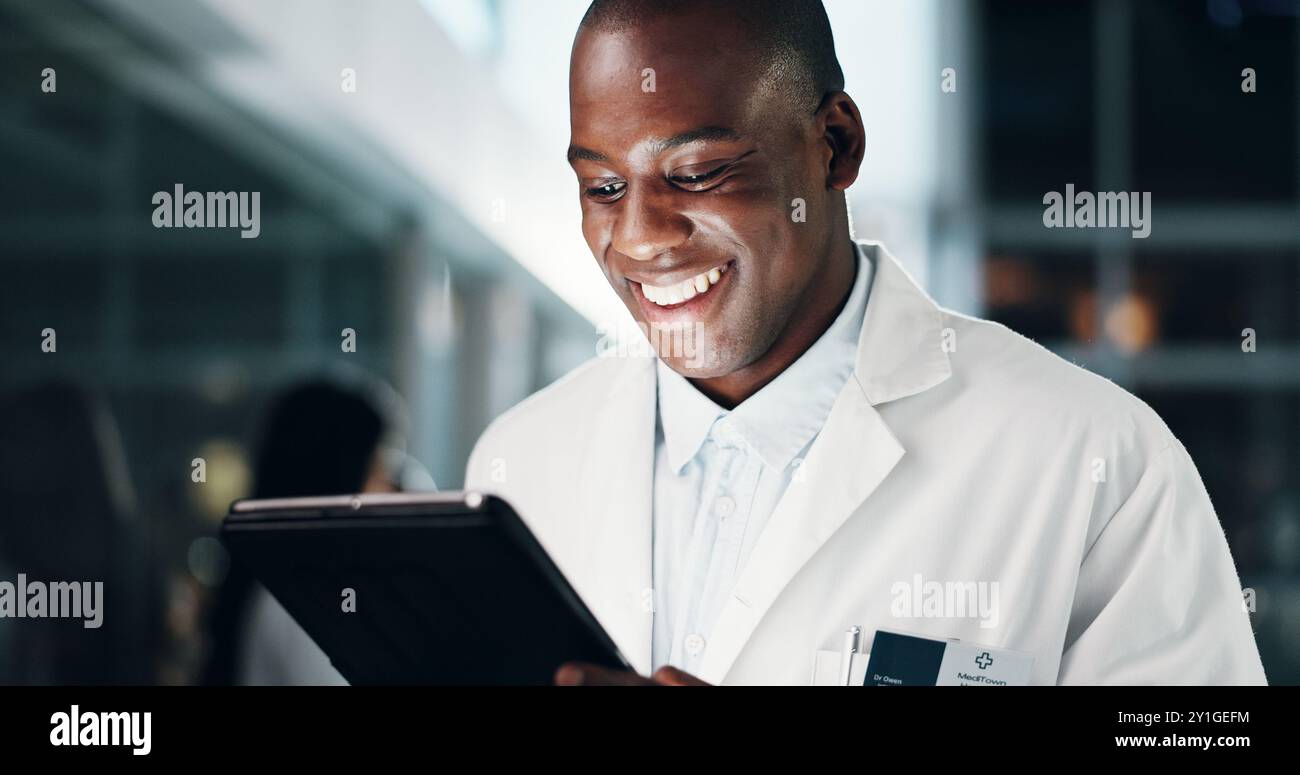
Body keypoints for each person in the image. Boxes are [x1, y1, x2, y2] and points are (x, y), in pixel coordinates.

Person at [464, 0, 1266, 686]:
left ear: (835, 146)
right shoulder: (520, 468)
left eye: (699, 172)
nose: (639, 239)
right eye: (603, 188)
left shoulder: (1092, 459)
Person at [202, 375, 424, 686]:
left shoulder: (296, 592)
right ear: (337, 477)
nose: (393, 488)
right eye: (378, 468)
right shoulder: (306, 608)